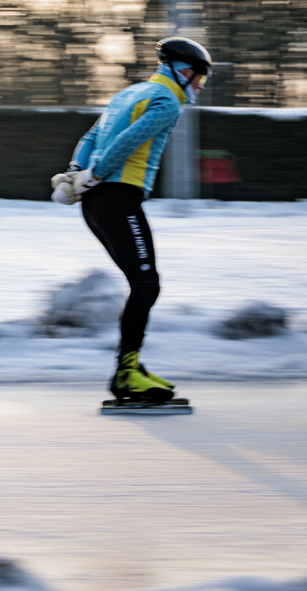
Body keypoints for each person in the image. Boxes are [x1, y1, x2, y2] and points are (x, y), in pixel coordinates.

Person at [50, 36, 213, 403]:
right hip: (116, 196)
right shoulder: (166, 101)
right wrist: (95, 175)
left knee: (143, 283)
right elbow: (128, 140)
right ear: (183, 71)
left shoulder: (129, 94)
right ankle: (126, 372)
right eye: (199, 77)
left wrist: (75, 172)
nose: (200, 86)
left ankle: (129, 367)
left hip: (97, 201)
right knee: (146, 285)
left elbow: (92, 135)